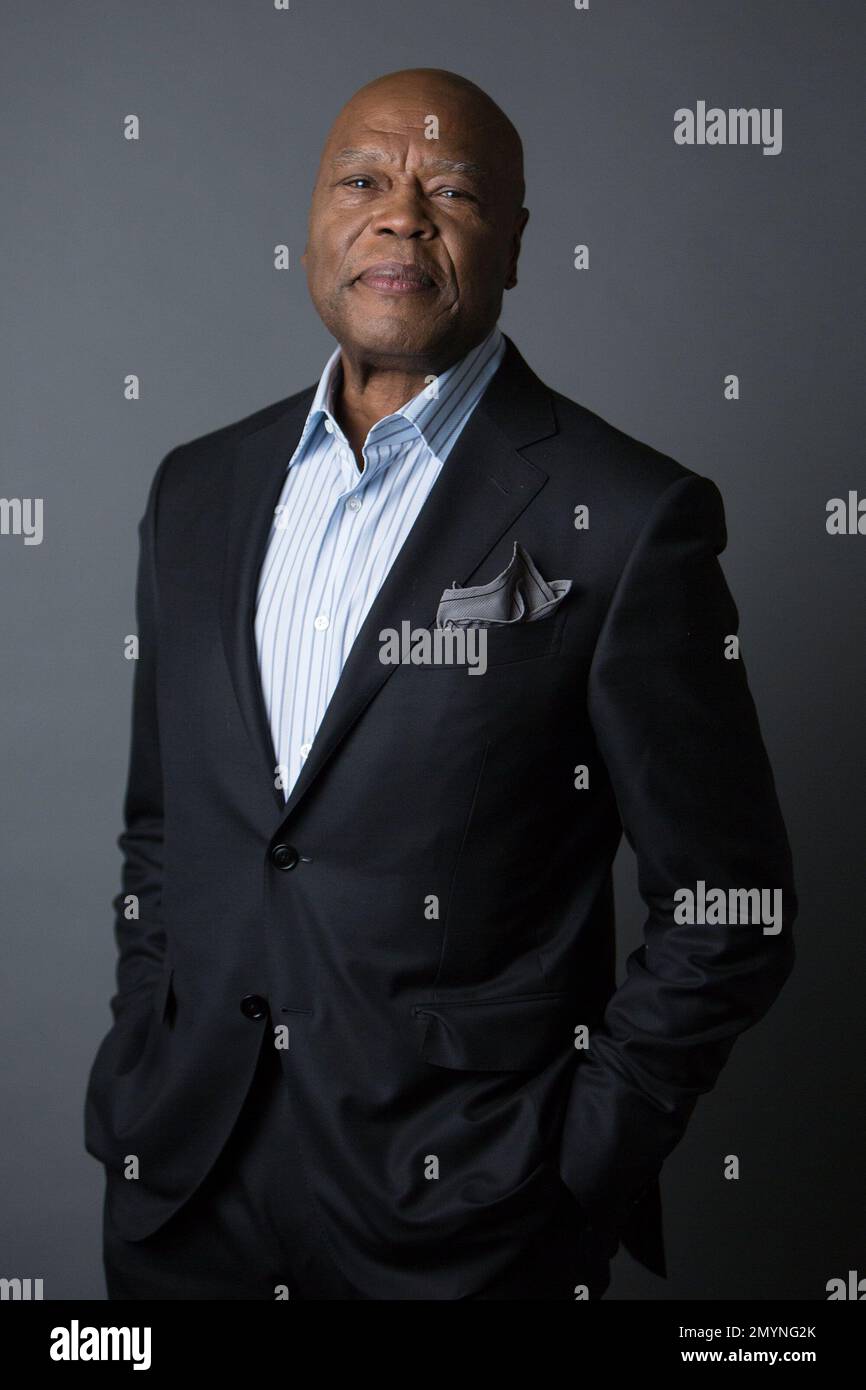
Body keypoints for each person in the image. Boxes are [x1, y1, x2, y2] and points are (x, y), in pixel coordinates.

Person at [84, 66, 796, 1300]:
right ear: (310, 219)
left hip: (466, 1222)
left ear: (512, 242)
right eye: (362, 180)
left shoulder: (623, 520)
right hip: (184, 1194)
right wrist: (148, 1046)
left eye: (449, 190)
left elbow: (731, 906)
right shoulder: (193, 491)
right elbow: (165, 831)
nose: (398, 215)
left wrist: (575, 1166)